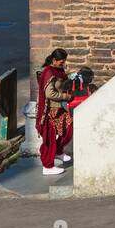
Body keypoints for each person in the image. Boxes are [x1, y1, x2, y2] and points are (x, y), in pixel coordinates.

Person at [36, 48, 74, 176]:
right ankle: (47, 166)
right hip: (50, 110)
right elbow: (49, 93)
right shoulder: (48, 72)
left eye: (64, 62)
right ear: (54, 60)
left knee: (68, 129)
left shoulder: (58, 70)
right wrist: (65, 97)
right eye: (61, 62)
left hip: (59, 108)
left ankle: (58, 152)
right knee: (49, 138)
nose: (63, 64)